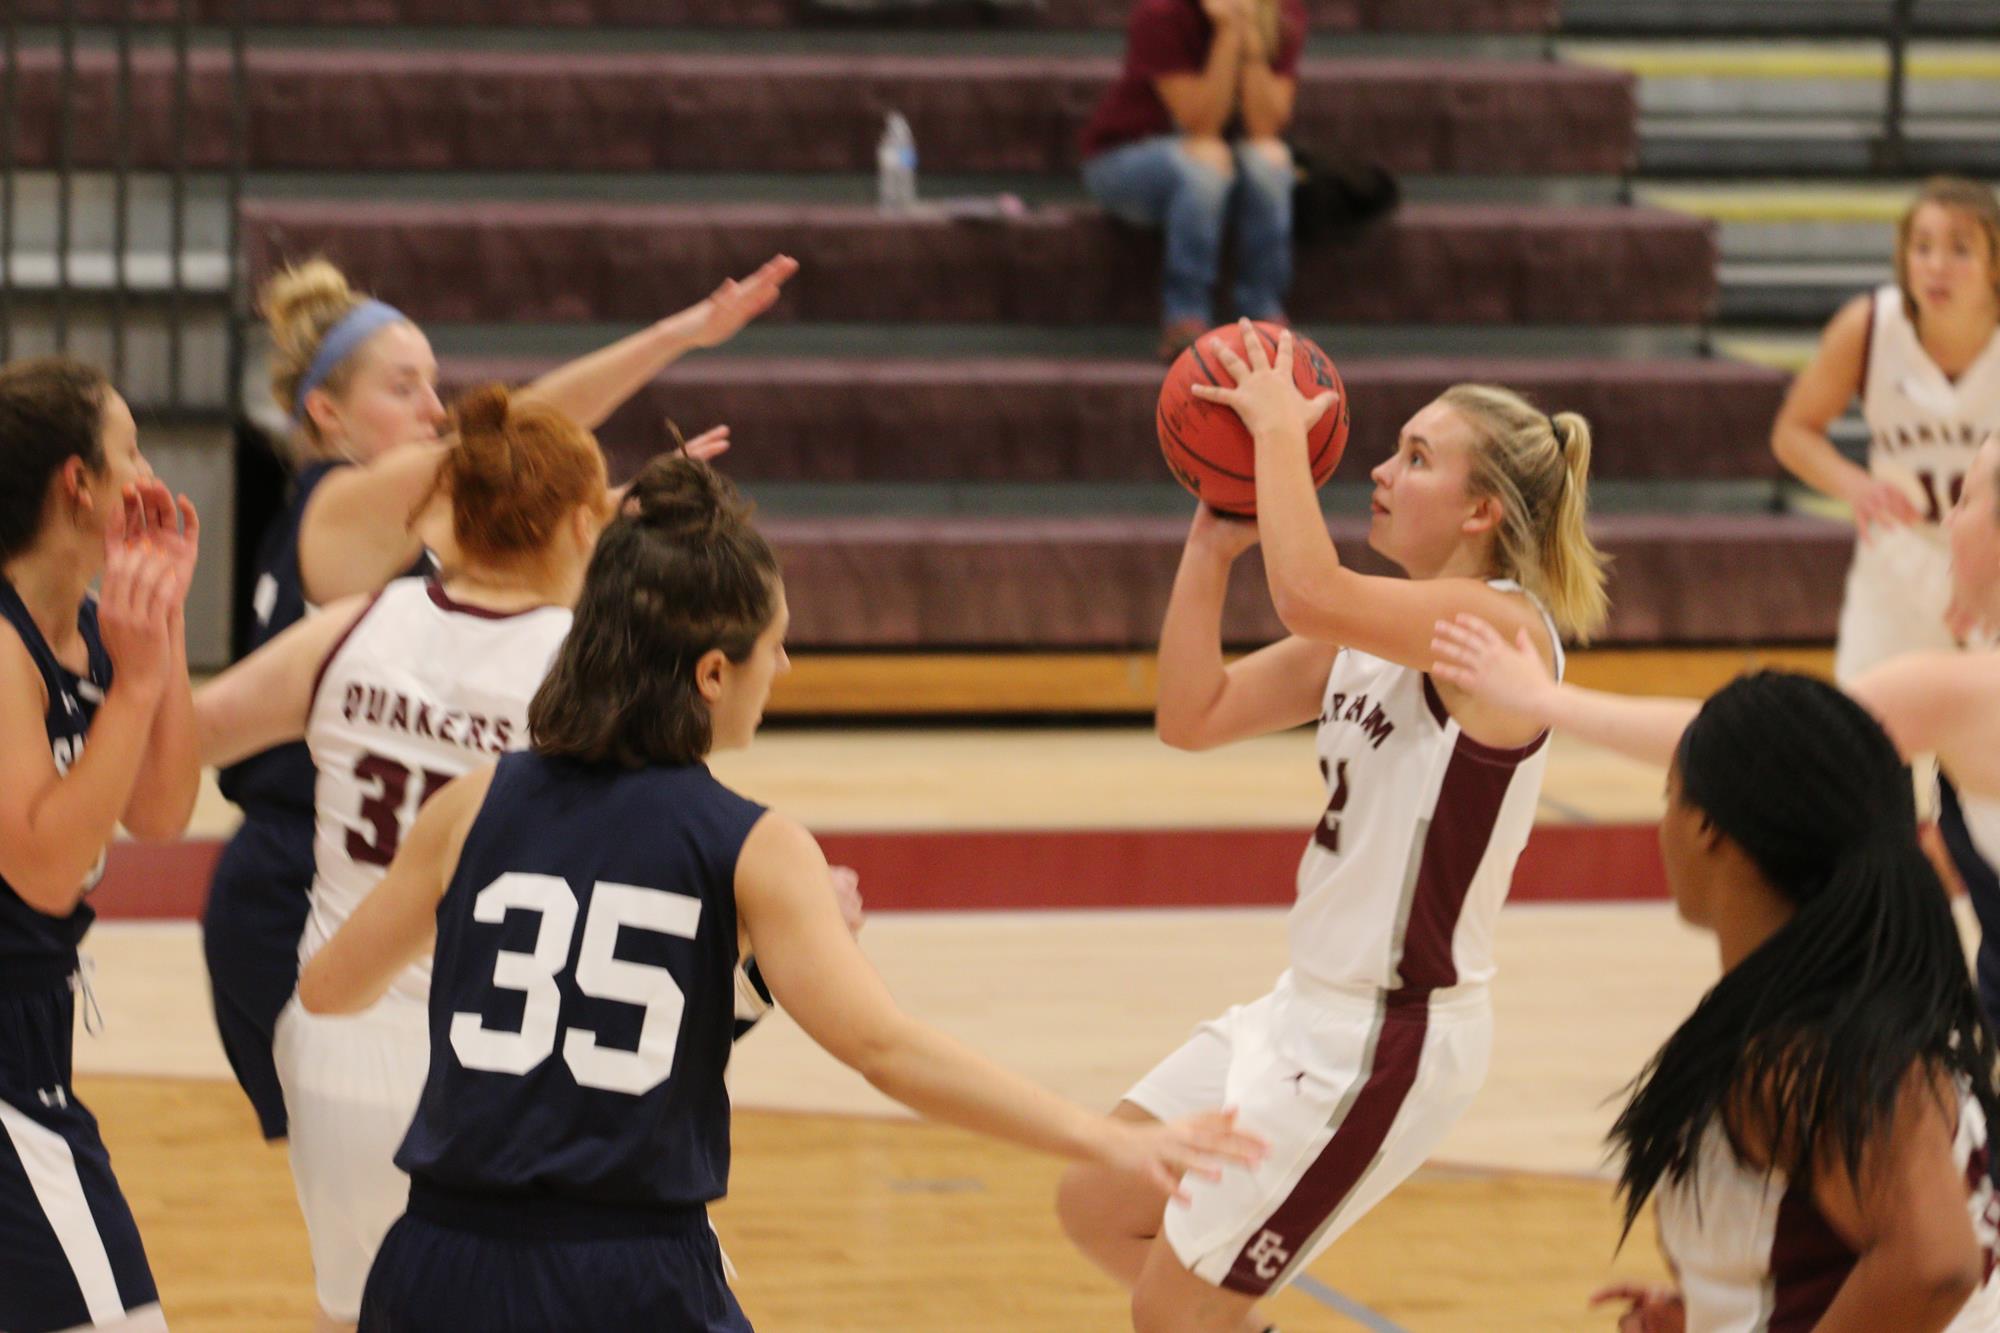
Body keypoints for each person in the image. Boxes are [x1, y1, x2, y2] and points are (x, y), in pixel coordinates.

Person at [289, 455, 1266, 1332]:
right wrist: (1098, 1136)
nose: (784, 668)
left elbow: (331, 988)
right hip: (622, 1274)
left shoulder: (471, 805)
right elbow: (884, 1049)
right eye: (776, 645)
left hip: (437, 1263)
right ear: (714, 671)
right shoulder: (751, 845)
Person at [1055, 326, 1608, 1331]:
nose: (1379, 472)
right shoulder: (1368, 630)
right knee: (1096, 1199)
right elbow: (1192, 715)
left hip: (1386, 1037)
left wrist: (1272, 432)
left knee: (1171, 1315)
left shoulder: (1501, 628)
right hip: (1299, 1010)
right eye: (1393, 449)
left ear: (1481, 510)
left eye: (1415, 458)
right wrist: (1207, 544)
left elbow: (1306, 586)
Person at [204, 252, 792, 1145]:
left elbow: (516, 530)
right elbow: (522, 435)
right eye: (403, 388)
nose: (436, 409)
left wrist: (604, 512)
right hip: (312, 893)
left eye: (436, 384)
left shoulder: (413, 555)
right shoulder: (341, 505)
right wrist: (683, 332)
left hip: (381, 892)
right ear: (326, 413)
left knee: (414, 1226)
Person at [197, 387, 615, 1333]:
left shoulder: (355, 624)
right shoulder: (583, 670)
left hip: (333, 1041)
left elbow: (195, 732)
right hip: (488, 1066)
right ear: (584, 525)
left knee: (364, 1315)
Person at [1595, 675, 2000, 1332]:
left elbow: (1937, 1266)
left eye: (1667, 795)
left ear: (1706, 826)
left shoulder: (1803, 1050)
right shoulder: (1858, 1004)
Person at [1770, 176, 2000, 1028]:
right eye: (1923, 244)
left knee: (1978, 782)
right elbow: (1794, 429)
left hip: (1991, 568)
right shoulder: (1869, 328)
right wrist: (1856, 483)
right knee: (1863, 761)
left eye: (1961, 246)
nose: (1937, 264)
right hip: (1900, 567)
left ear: (1993, 261)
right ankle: (1860, 946)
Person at [0, 357, 201, 1332]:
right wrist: (130, 689)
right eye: (130, 450)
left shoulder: (88, 623)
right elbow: (40, 865)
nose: (149, 473)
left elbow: (162, 810)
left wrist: (159, 633)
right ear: (77, 483)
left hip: (32, 1036)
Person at [1079, 0, 1306, 361]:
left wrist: (1249, 43)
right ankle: (1186, 316)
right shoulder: (1162, 12)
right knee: (1207, 162)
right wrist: (1229, 36)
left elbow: (1265, 125)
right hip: (1126, 159)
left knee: (1269, 157)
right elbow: (1201, 121)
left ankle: (1262, 309)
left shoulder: (1279, 12)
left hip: (1220, 164)